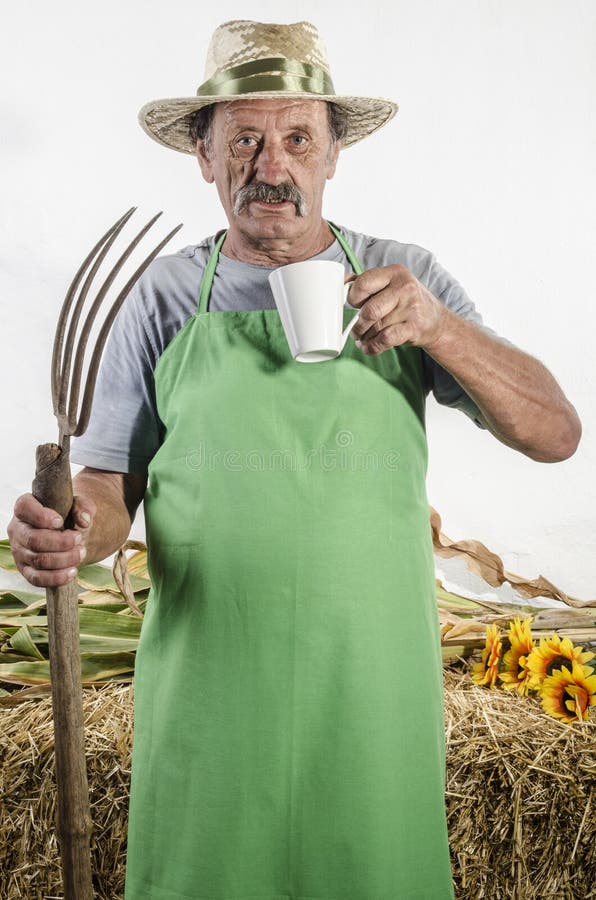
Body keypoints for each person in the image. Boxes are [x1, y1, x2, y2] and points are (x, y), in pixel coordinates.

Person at [8, 19, 581, 900]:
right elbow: (108, 490)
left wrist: (441, 330)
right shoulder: (161, 297)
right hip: (211, 690)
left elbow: (556, 434)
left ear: (333, 154)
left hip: (372, 689)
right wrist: (75, 533)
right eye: (243, 139)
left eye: (296, 139)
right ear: (203, 156)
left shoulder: (402, 278)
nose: (271, 166)